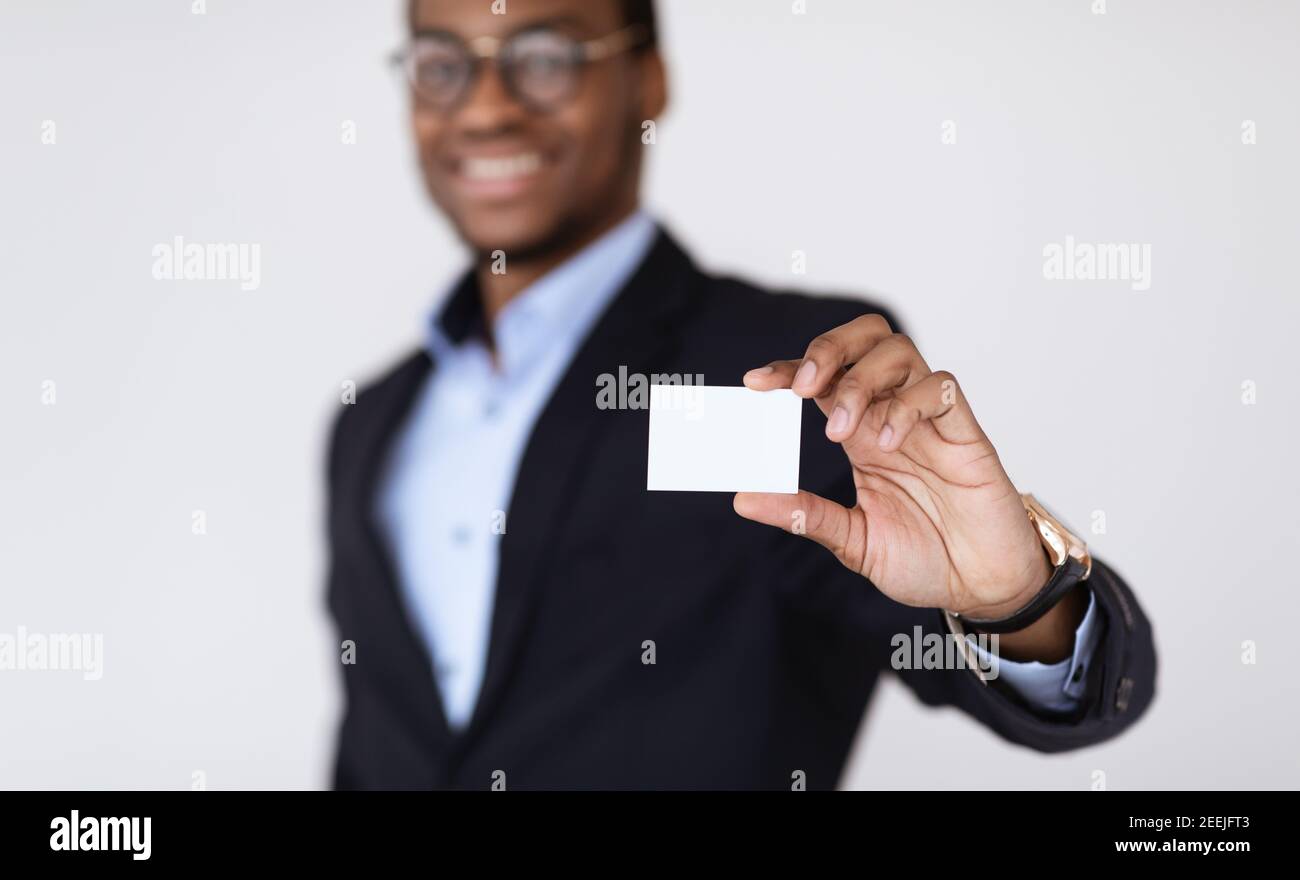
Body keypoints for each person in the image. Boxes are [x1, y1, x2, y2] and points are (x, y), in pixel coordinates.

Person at [325, 0, 1156, 790]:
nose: (483, 109)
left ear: (648, 81)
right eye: (440, 65)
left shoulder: (793, 377)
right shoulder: (370, 425)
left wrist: (1016, 603)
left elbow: (1025, 675)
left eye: (545, 58)